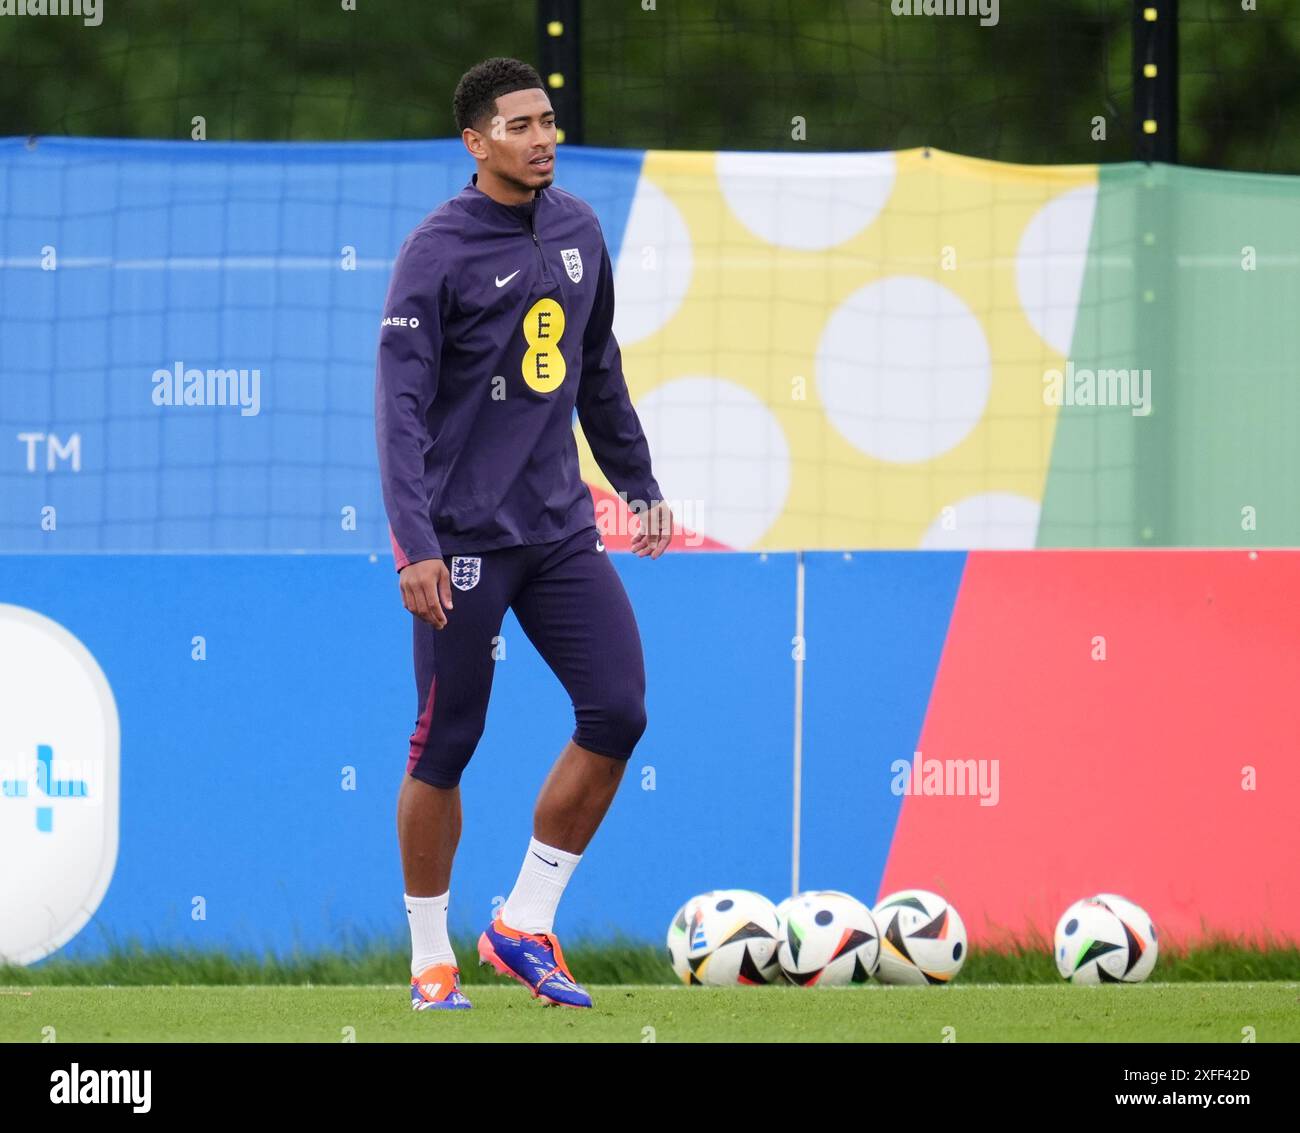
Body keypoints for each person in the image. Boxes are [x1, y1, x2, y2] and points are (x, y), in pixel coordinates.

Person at [374, 56, 673, 1011]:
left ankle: (524, 921)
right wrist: (414, 543)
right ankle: (431, 956)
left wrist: (637, 480)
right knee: (447, 741)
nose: (541, 137)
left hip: (556, 531)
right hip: (459, 541)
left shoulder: (581, 228)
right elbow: (399, 410)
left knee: (620, 708)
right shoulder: (437, 251)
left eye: (547, 120)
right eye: (519, 125)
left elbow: (598, 371)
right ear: (475, 143)